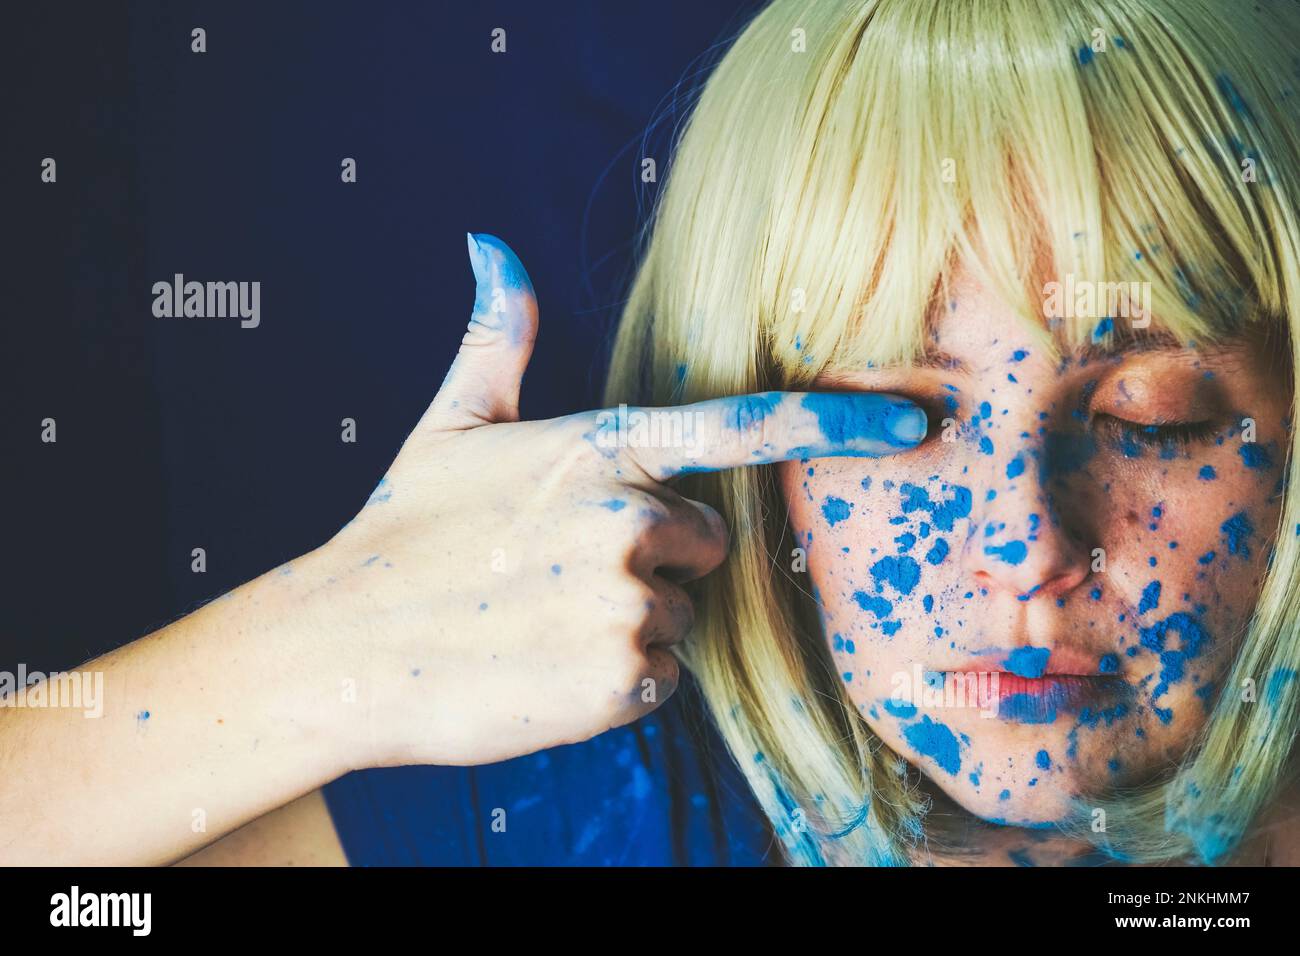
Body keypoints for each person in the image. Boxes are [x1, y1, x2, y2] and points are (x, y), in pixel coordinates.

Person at [4, 0, 1299, 867]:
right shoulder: (603, 814)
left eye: (1149, 413)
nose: (1024, 545)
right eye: (898, 419)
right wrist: (335, 646)